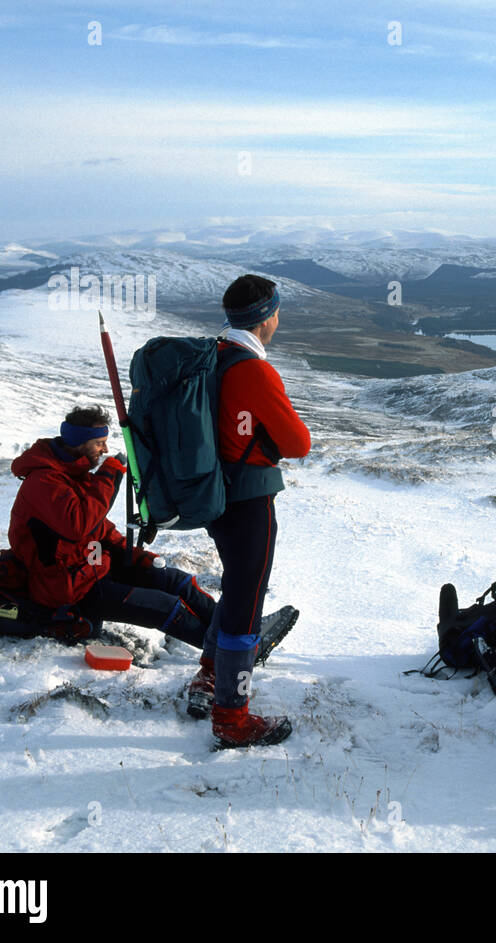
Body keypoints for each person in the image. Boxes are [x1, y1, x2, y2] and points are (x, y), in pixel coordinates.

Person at [192, 274, 311, 749]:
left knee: (238, 585)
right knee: (247, 601)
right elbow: (298, 443)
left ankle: (207, 675)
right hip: (249, 500)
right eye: (276, 311)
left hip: (212, 496)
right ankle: (231, 716)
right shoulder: (254, 370)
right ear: (267, 317)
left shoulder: (211, 356)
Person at [8, 405, 218, 648]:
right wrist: (108, 476)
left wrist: (136, 556)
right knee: (163, 607)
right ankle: (227, 654)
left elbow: (100, 530)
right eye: (99, 443)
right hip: (69, 588)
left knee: (174, 581)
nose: (105, 450)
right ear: (78, 443)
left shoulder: (74, 474)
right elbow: (79, 524)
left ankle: (237, 632)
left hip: (93, 568)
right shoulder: (43, 482)